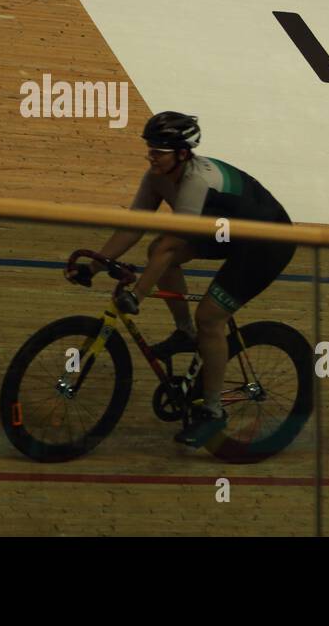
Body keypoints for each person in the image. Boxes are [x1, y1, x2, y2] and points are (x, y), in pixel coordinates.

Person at [66, 111, 296, 447]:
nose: (151, 157)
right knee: (157, 249)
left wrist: (137, 296)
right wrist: (97, 265)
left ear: (183, 154)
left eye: (159, 152)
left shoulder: (196, 182)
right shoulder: (157, 176)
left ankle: (214, 412)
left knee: (210, 317)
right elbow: (134, 225)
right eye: (150, 149)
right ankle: (184, 332)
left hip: (266, 243)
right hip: (225, 230)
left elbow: (174, 244)